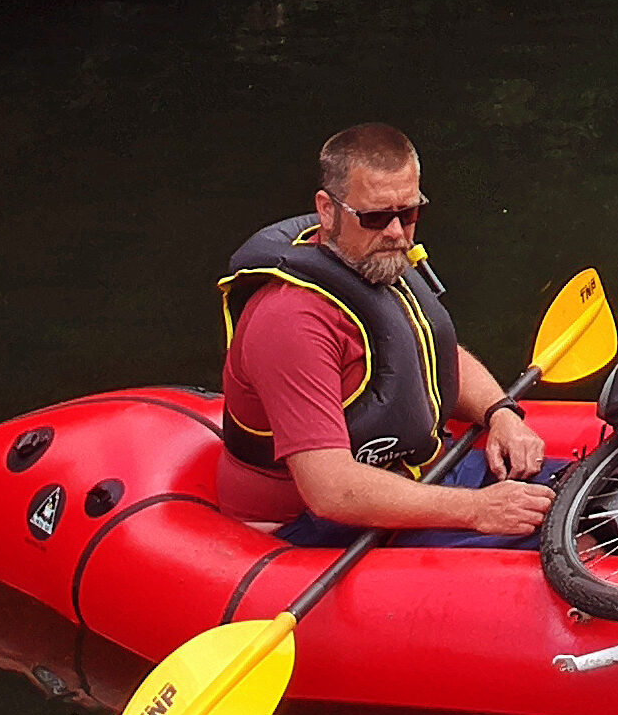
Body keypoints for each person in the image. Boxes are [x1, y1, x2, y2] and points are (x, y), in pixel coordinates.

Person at [215, 123, 556, 547]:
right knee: (558, 544)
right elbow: (329, 490)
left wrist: (499, 413)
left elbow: (432, 354)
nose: (395, 232)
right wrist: (478, 509)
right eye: (375, 217)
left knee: (597, 496)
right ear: (327, 210)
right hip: (314, 528)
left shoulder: (375, 261)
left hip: (416, 478)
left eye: (408, 213)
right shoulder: (289, 321)